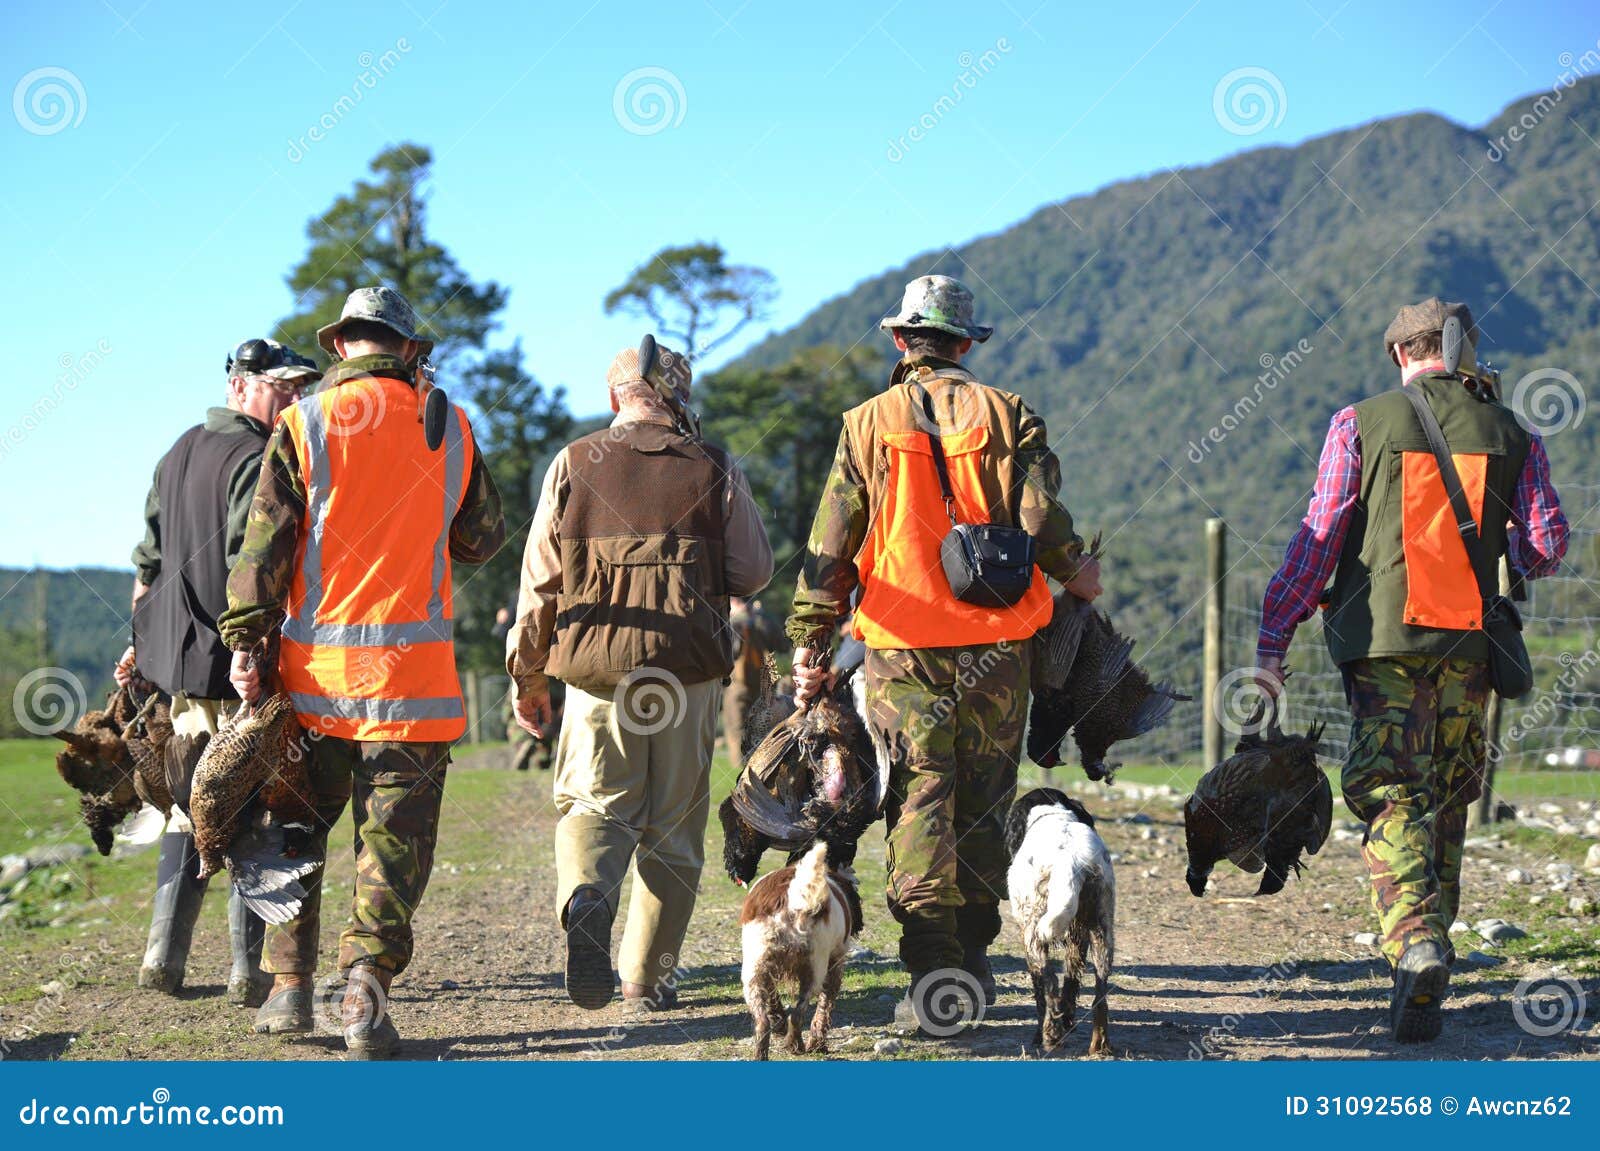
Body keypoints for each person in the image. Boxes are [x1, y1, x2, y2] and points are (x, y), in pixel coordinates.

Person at [786, 275, 1101, 1031]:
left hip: (903, 644)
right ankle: (971, 959)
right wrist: (1075, 568)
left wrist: (810, 641)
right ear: (966, 343)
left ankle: (933, 972)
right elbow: (1039, 516)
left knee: (920, 794)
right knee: (985, 798)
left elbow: (831, 543)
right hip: (998, 645)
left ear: (901, 341)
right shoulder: (1011, 413)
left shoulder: (865, 422)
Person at [1255, 297, 1567, 1043]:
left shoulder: (1358, 422)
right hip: (1468, 653)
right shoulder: (1512, 430)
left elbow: (1320, 537)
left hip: (1384, 648)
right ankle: (1430, 950)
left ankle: (1415, 946)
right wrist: (1504, 561)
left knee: (1393, 796)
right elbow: (1549, 539)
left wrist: (1274, 637)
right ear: (1460, 351)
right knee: (1450, 797)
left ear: (1400, 354)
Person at [218, 287, 505, 1059]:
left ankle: (287, 990)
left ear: (341, 344)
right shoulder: (450, 424)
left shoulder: (302, 422)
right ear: (408, 347)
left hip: (312, 687)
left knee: (294, 834)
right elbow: (482, 538)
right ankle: (362, 999)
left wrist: (246, 643)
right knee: (390, 850)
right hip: (412, 692)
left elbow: (264, 550)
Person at [507, 340, 772, 1012]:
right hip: (685, 680)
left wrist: (528, 675)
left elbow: (539, 582)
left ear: (614, 396)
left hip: (598, 680)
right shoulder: (713, 464)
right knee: (675, 832)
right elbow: (755, 571)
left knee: (595, 807)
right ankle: (644, 976)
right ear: (679, 398)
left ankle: (589, 895)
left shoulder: (574, 461)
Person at [117, 337, 321, 1005]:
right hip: (233, 664)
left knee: (187, 803)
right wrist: (256, 653)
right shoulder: (259, 455)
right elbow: (250, 566)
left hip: (175, 664)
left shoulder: (177, 451)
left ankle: (162, 958)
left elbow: (146, 563)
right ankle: (248, 970)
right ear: (240, 386)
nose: (294, 396)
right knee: (253, 806)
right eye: (281, 385)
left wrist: (138, 645)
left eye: (299, 387)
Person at [494, 600, 563, 771]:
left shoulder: (524, 593)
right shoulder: (569, 585)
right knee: (552, 713)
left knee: (516, 712)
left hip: (528, 664)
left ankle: (524, 742)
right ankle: (544, 756)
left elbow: (503, 633)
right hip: (560, 665)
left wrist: (503, 619)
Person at [723, 596, 784, 768]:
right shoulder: (730, 622)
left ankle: (759, 770)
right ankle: (743, 774)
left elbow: (780, 644)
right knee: (737, 731)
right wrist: (738, 620)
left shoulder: (760, 622)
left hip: (762, 686)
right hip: (737, 686)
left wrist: (757, 620)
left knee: (763, 728)